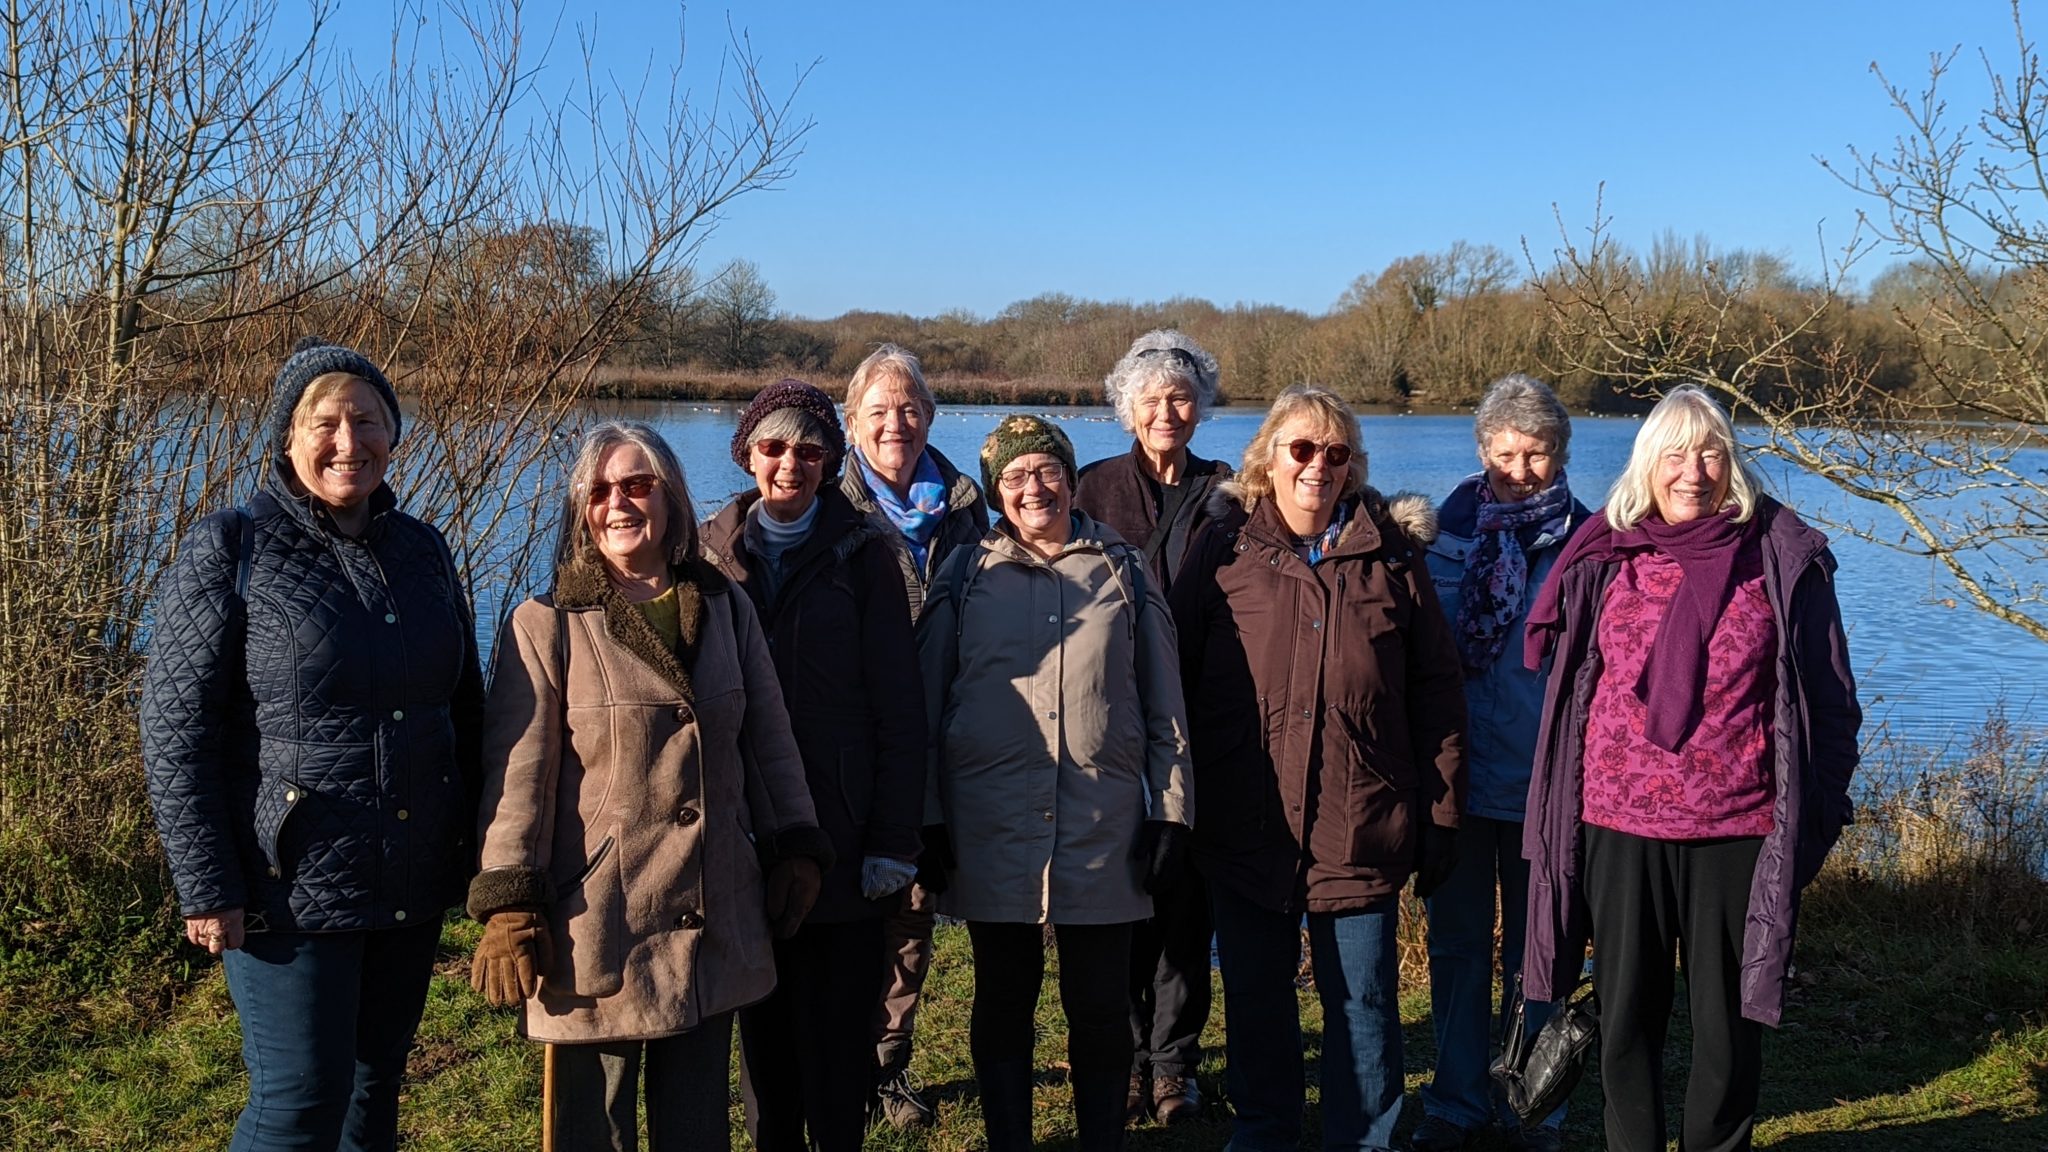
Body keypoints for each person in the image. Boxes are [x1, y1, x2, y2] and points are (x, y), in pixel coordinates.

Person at [141, 336, 484, 1151]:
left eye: (366, 421)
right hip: (288, 886)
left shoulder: (423, 551)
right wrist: (207, 884)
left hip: (407, 876)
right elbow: (175, 731)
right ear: (287, 438)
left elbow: (464, 709)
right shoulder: (233, 547)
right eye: (323, 422)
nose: (346, 441)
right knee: (299, 1103)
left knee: (374, 1091)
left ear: (393, 435)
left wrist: (480, 852)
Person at [467, 420, 833, 1152]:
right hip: (597, 920)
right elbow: (519, 778)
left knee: (695, 1127)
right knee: (593, 1130)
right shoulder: (545, 625)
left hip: (712, 905)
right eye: (599, 491)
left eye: (637, 485)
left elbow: (769, 741)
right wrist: (510, 898)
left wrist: (795, 842)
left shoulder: (725, 607)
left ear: (670, 498)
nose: (618, 504)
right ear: (581, 510)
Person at [1521, 386, 1861, 1152]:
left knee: (1728, 1029)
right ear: (1649, 462)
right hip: (1617, 827)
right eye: (1675, 453)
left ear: (1730, 463)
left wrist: (1822, 812)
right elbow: (1570, 696)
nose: (1693, 471)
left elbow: (1832, 701)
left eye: (1710, 452)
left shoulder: (1779, 554)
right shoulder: (1607, 553)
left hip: (1735, 831)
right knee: (1623, 1021)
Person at [1170, 383, 1466, 1152]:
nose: (1318, 466)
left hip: (1360, 820)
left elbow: (1435, 690)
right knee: (1257, 997)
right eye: (1301, 449)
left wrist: (1440, 814)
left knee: (1362, 1003)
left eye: (1336, 453)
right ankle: (1264, 1132)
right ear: (1267, 459)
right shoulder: (1223, 549)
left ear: (1352, 466)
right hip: (1247, 817)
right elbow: (1176, 677)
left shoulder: (1392, 557)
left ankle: (1363, 1139)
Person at [918, 414, 1193, 1152]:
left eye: (1047, 471)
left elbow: (1165, 705)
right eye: (1015, 476)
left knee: (1100, 1006)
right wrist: (926, 816)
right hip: (992, 824)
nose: (1033, 487)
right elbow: (925, 705)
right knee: (1003, 1000)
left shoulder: (1122, 569)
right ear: (995, 491)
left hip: (1101, 824)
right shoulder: (965, 574)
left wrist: (1171, 814)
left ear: (1071, 480)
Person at [700, 379, 928, 1152]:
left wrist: (893, 842)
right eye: (773, 448)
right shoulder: (710, 556)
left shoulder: (865, 556)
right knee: (764, 1052)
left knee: (836, 1049)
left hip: (842, 832)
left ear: (831, 460)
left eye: (809, 450)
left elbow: (900, 711)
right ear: (747, 456)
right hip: (743, 833)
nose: (789, 464)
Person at [1411, 374, 1588, 1152]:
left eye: (1537, 453)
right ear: (1483, 448)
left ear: (1562, 453)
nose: (1520, 470)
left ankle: (1533, 1105)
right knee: (1455, 948)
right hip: (1453, 782)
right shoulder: (1435, 536)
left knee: (1538, 954)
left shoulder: (1593, 544)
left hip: (1546, 783)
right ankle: (1455, 1101)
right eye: (1506, 452)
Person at [1073, 329, 1231, 1127]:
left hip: (1204, 722)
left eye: (1181, 397)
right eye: (1151, 399)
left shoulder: (1230, 491)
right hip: (1112, 721)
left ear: (1200, 408)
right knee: (1119, 894)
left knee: (1187, 904)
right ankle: (1127, 1059)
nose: (1166, 412)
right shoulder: (1092, 488)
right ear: (1126, 410)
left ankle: (1175, 1068)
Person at [835, 344, 990, 1129]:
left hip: (941, 746)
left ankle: (886, 1069)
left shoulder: (966, 507)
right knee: (848, 916)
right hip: (853, 747)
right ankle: (836, 1069)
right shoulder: (832, 508)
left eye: (909, 408)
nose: (894, 423)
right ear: (851, 423)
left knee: (913, 912)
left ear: (928, 415)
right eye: (878, 410)